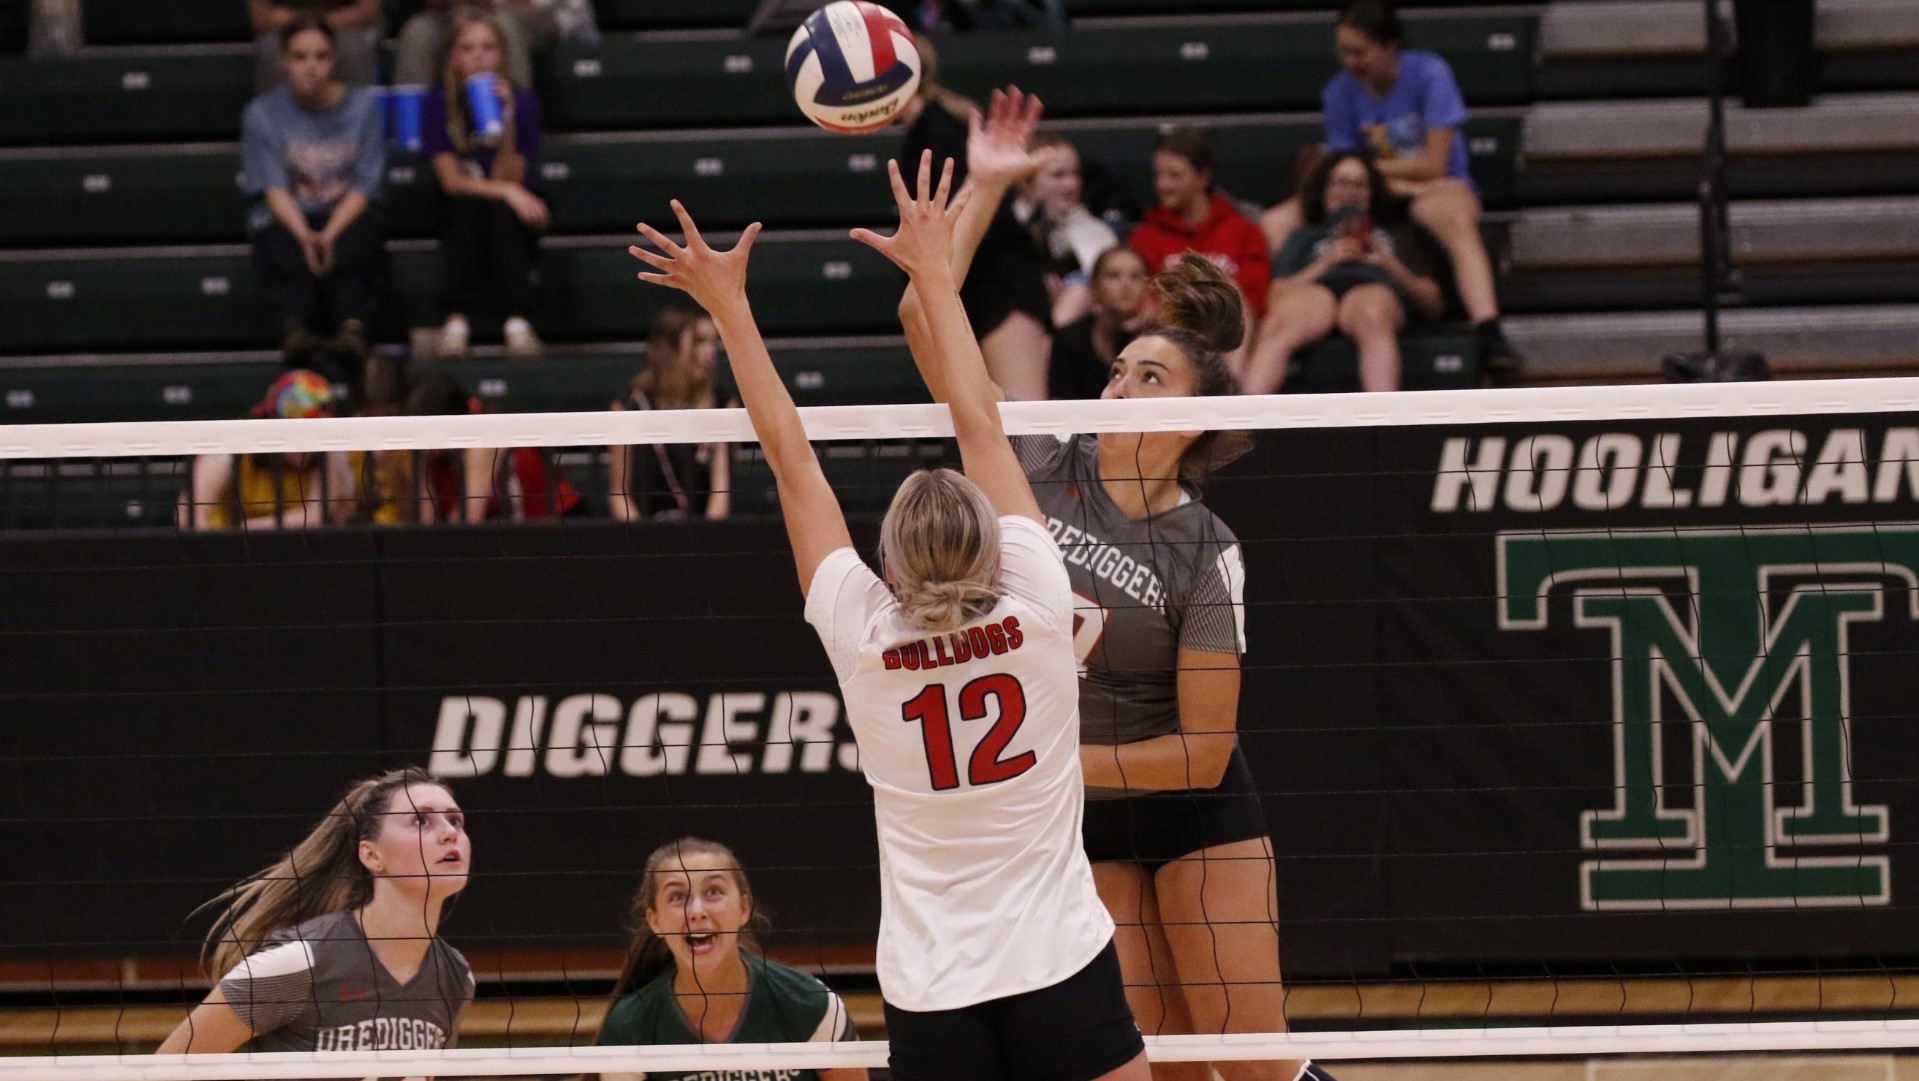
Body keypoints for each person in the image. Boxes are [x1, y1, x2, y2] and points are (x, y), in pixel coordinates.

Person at [628, 151, 1148, 1081]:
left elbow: (793, 464)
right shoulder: (1034, 595)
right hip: (1058, 958)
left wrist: (731, 310)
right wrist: (935, 273)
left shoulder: (865, 637)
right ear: (991, 541)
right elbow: (977, 419)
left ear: (888, 561)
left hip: (929, 981)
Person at [897, 95, 1334, 1081]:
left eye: (1149, 376)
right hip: (1078, 823)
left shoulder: (1204, 547)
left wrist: (1038, 764)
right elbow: (926, 319)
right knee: (1154, 1062)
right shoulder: (1036, 461)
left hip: (1189, 810)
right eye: (1119, 369)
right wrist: (991, 186)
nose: (1118, 385)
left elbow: (1199, 751)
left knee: (1252, 1060)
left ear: (1190, 415)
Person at [1265, 0, 1520, 372]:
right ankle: (1272, 308)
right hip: (1369, 189)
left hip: (1432, 187)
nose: (1350, 61)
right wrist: (1378, 179)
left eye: (1360, 52)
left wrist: (1381, 175)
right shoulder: (1339, 91)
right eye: (1344, 51)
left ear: (1390, 46)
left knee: (1454, 216)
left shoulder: (1430, 73)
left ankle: (1487, 327)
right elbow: (1343, 167)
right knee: (1277, 218)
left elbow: (1433, 164)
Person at [156, 767, 474, 1054]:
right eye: (421, 820)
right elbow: (166, 1070)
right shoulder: (296, 963)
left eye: (455, 820)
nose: (449, 833)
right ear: (372, 856)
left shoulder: (455, 977)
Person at [594, 837, 865, 1081]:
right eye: (677, 896)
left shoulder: (809, 1004)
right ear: (655, 921)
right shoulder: (630, 1026)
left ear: (743, 908)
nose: (697, 911)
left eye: (713, 892)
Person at [897, 40, 1052, 401]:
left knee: (1023, 425)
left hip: (1002, 284)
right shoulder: (923, 130)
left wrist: (987, 183)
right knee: (977, 419)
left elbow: (987, 218)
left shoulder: (939, 128)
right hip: (966, 284)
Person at [241, 16, 386, 366]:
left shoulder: (363, 108)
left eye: (321, 56)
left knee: (359, 236)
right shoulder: (262, 113)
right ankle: (294, 332)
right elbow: (274, 189)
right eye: (301, 56)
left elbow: (366, 185)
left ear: (334, 59)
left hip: (345, 210)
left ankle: (352, 331)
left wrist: (330, 233)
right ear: (284, 60)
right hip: (292, 212)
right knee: (279, 240)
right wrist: (307, 236)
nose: (312, 67)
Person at [1242, 151, 1442, 394]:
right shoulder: (1305, 234)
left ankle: (1383, 424)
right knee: (1280, 324)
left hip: (1372, 292)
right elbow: (1275, 292)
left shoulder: (1396, 232)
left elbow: (1432, 303)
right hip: (1314, 296)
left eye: (1359, 184)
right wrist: (1325, 262)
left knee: (1372, 313)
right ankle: (1245, 424)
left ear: (1372, 192)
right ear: (1324, 189)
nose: (1349, 192)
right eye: (1340, 183)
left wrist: (1389, 264)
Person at [425, 10, 549, 359]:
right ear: (453, 57)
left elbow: (509, 177)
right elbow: (451, 181)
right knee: (466, 206)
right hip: (459, 203)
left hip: (508, 203)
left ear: (502, 56)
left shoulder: (522, 102)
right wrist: (508, 191)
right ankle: (456, 321)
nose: (479, 56)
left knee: (500, 209)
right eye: (468, 48)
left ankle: (517, 321)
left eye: (488, 47)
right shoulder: (438, 102)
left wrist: (507, 118)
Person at [1126, 129, 1270, 329]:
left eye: (1175, 175)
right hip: (1171, 336)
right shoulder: (1145, 237)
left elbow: (1255, 298)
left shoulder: (1243, 231)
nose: (1163, 185)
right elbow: (1141, 301)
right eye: (1158, 175)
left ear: (1203, 177)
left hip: (1228, 333)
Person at [178, 369, 351, 531]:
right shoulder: (229, 447)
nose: (307, 444)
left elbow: (316, 516)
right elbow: (188, 519)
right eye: (297, 431)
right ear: (273, 423)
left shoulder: (331, 452)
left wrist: (244, 531)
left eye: (317, 432)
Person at [607, 308, 733, 522]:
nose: (709, 351)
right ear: (668, 349)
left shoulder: (721, 405)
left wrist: (706, 543)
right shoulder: (629, 405)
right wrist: (642, 541)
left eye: (713, 342)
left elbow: (720, 494)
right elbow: (619, 495)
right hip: (643, 534)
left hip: (701, 537)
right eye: (699, 342)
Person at [1013, 134, 1121, 328]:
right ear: (1026, 181)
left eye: (1075, 174)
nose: (1072, 185)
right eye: (1058, 175)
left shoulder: (1097, 233)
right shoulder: (1004, 228)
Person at [393, 0, 600, 87]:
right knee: (418, 31)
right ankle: (412, 136)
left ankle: (513, 125)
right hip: (465, 10)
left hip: (548, 10)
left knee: (500, 25)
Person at [1047, 246, 1150, 400]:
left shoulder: (1157, 342)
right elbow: (1059, 402)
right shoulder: (1069, 340)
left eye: (1135, 277)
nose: (1126, 285)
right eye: (1113, 276)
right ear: (1093, 286)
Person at [247, 0, 380, 91]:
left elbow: (367, 12)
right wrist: (310, 22)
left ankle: (359, 121)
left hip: (348, 26)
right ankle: (273, 126)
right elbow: (262, 17)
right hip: (283, 26)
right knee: (271, 48)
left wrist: (321, 22)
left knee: (353, 47)